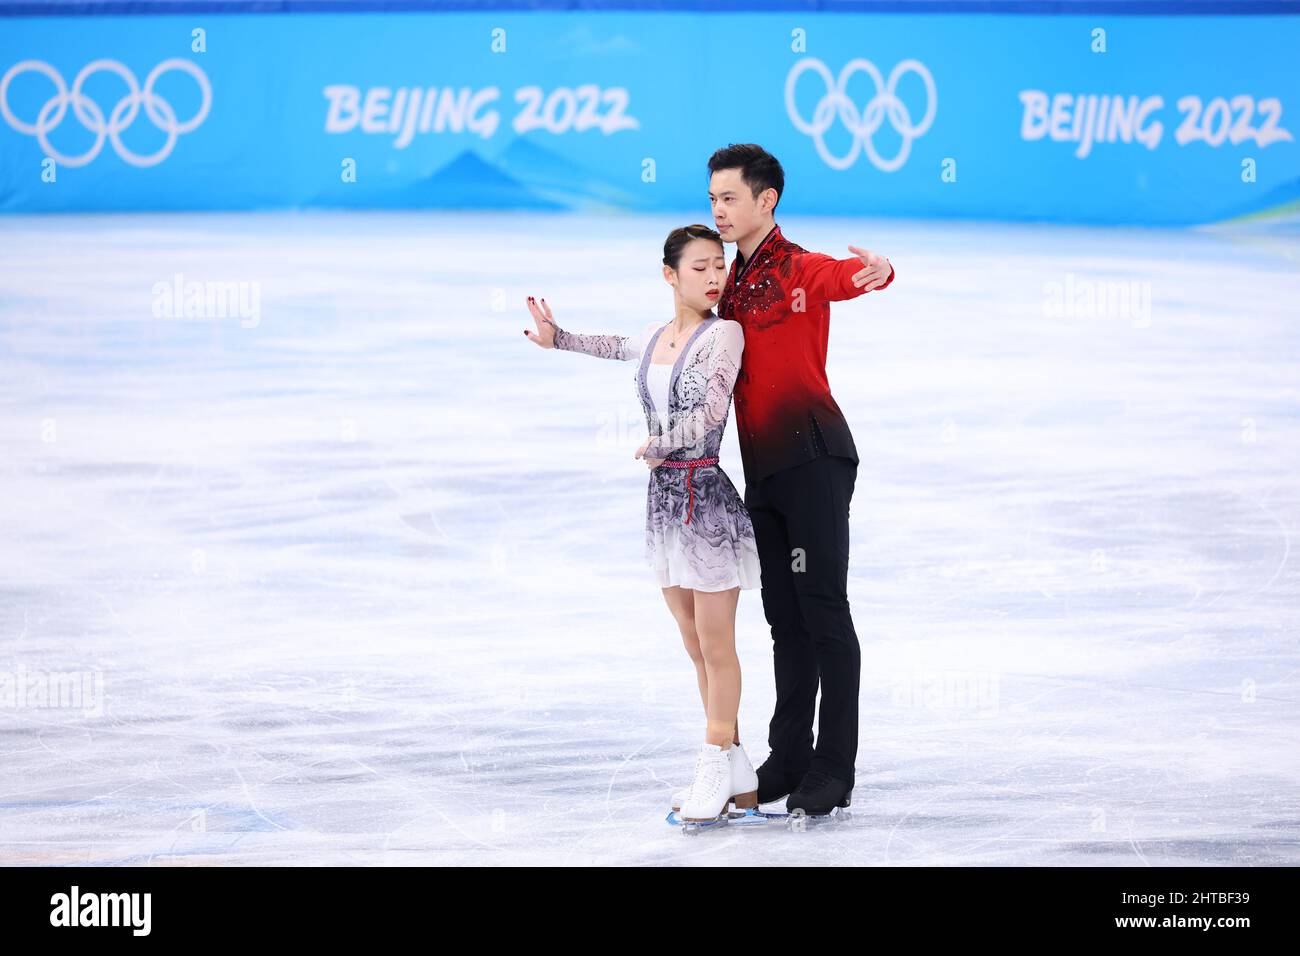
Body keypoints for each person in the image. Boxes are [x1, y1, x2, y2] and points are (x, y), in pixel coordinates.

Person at [523, 224, 762, 823]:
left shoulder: (723, 335)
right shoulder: (659, 335)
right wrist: (559, 340)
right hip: (662, 506)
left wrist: (662, 442)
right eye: (702, 267)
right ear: (670, 275)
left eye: (721, 266)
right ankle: (736, 765)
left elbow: (709, 415)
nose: (715, 277)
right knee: (690, 640)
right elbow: (616, 345)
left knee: (716, 643)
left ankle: (712, 765)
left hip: (704, 502)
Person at [708, 143, 895, 814]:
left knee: (822, 612)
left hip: (814, 460)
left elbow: (836, 277)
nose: (719, 210)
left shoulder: (795, 266)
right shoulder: (727, 282)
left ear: (767, 201)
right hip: (762, 468)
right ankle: (788, 756)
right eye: (712, 199)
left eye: (730, 197)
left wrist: (877, 271)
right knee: (783, 619)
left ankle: (834, 767)